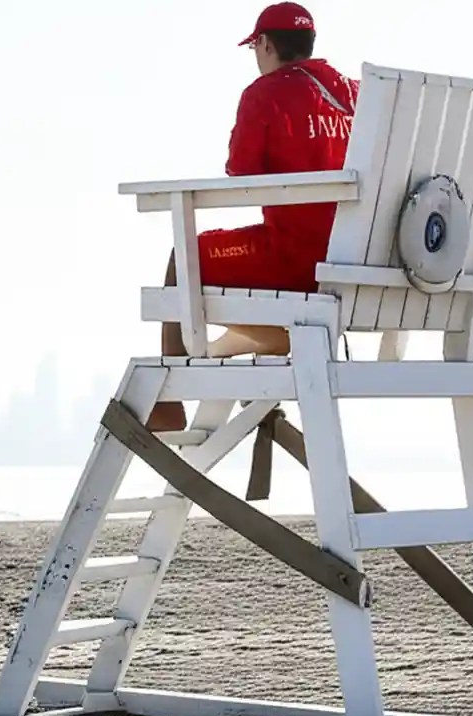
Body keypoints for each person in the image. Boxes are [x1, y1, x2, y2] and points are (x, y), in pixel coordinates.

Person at [147, 1, 359, 432]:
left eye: (255, 48)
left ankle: (168, 402)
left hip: (295, 260)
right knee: (204, 259)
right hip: (355, 265)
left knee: (185, 255)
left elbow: (241, 173)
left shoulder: (265, 93)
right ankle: (228, 360)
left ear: (265, 44)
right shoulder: (356, 93)